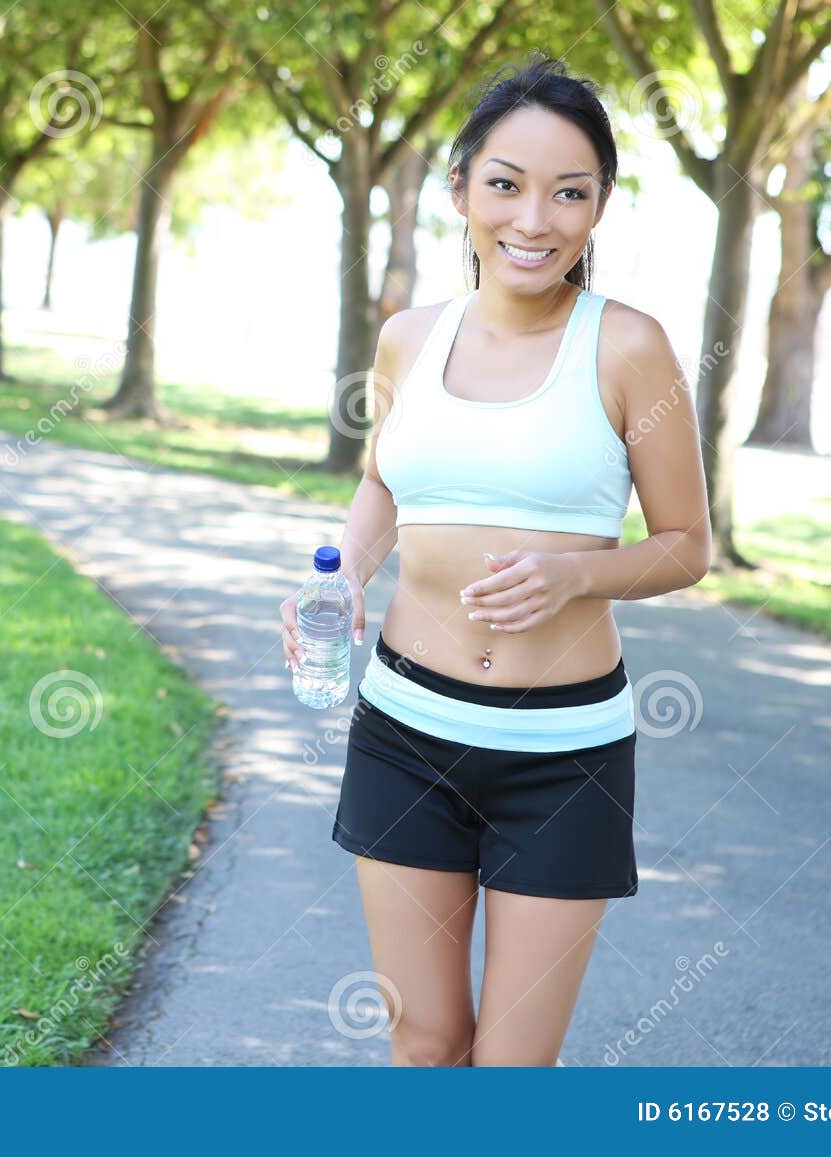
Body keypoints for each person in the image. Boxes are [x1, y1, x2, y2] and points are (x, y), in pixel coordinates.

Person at [279, 54, 712, 1066]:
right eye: (506, 184)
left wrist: (578, 574)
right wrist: (341, 575)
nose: (535, 218)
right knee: (423, 1038)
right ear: (460, 191)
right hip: (403, 733)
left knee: (514, 1066)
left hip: (562, 757)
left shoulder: (628, 348)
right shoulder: (407, 339)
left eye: (571, 192)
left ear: (599, 206)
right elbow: (387, 481)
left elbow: (688, 545)